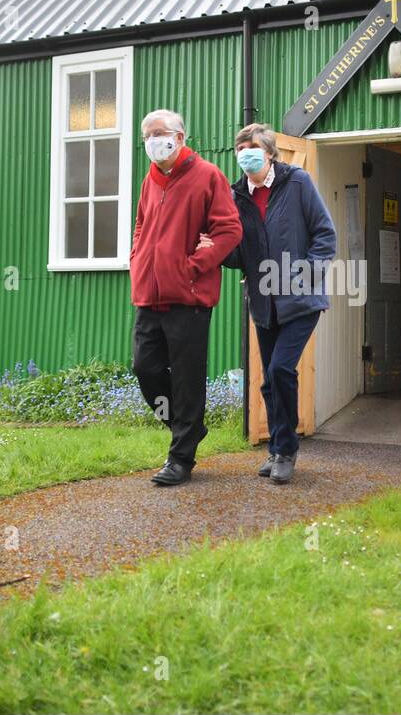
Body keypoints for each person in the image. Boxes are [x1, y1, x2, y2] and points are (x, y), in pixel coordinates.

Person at [200, 123, 336, 484]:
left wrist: (305, 274)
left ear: (270, 153)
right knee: (268, 381)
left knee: (279, 370)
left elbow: (325, 234)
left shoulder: (297, 182)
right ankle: (276, 448)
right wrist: (214, 248)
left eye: (253, 147)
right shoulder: (236, 196)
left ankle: (286, 450)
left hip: (301, 300)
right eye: (240, 148)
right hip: (263, 301)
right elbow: (238, 254)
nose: (246, 153)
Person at [130, 109, 242, 486]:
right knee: (145, 369)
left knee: (187, 378)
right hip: (149, 293)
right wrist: (138, 258)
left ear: (179, 137)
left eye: (159, 133)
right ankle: (188, 428)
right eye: (146, 135)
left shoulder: (208, 176)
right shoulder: (150, 180)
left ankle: (181, 458)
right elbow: (141, 225)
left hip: (189, 297)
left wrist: (194, 266)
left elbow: (229, 230)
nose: (152, 141)